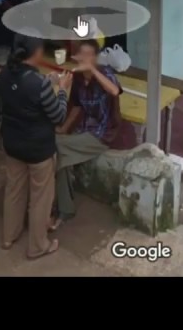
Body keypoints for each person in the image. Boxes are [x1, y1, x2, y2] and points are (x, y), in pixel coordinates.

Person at [0, 34, 68, 259]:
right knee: (40, 198)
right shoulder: (38, 84)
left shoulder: (5, 74)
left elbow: (23, 94)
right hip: (38, 149)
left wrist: (50, 82)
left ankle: (9, 236)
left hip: (12, 144)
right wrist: (63, 89)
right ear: (36, 53)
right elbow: (59, 116)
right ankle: (38, 246)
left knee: (14, 190)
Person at [52, 39, 122, 226]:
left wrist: (93, 71)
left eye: (87, 55)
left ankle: (56, 208)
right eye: (80, 54)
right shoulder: (77, 79)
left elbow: (114, 91)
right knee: (61, 158)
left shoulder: (105, 74)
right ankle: (64, 210)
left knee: (55, 146)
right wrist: (63, 129)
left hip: (102, 134)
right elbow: (75, 107)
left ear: (95, 58)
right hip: (83, 129)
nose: (82, 58)